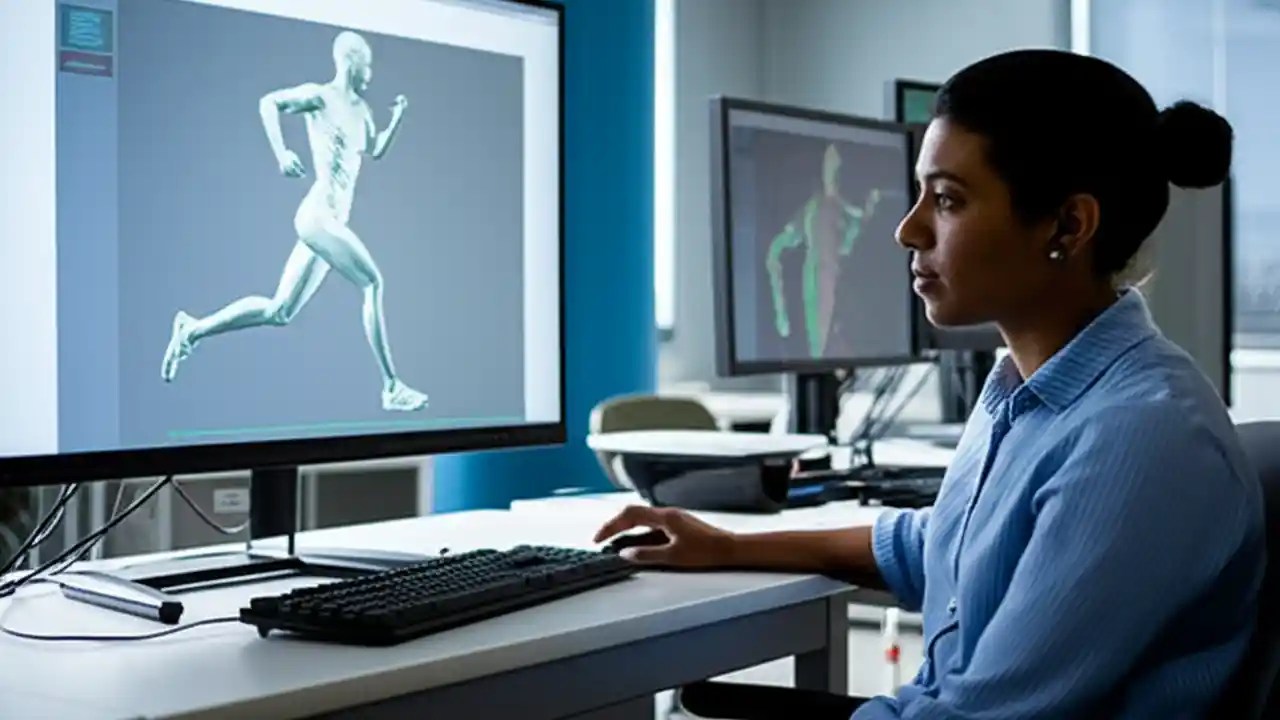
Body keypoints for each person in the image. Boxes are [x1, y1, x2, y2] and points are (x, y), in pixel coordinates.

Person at [596, 49, 1264, 720]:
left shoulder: (1138, 437)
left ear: (1068, 225)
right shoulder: (1028, 390)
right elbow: (940, 544)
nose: (907, 228)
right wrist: (730, 547)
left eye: (947, 200)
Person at [161, 30, 430, 413]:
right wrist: (281, 152)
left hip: (334, 219)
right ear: (351, 61)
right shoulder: (321, 97)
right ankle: (391, 386)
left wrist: (398, 119)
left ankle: (192, 330)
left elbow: (375, 150)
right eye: (367, 61)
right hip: (317, 214)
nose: (371, 70)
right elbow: (269, 102)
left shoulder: (364, 113)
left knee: (280, 311)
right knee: (372, 283)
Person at [767, 143, 881, 359]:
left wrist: (866, 213)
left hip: (840, 278)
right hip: (818, 278)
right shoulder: (814, 207)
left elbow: (848, 245)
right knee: (821, 342)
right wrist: (780, 312)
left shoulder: (846, 212)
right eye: (830, 169)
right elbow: (779, 247)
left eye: (837, 170)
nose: (833, 175)